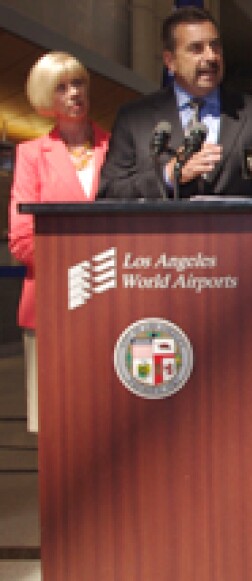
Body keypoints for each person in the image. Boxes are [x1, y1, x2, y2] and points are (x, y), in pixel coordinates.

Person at [97, 6, 252, 203]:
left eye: (215, 46)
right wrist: (168, 175)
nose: (211, 56)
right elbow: (110, 191)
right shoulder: (135, 119)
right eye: (197, 48)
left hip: (238, 236)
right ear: (170, 61)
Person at [8, 51, 110, 434]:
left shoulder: (116, 148)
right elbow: (20, 240)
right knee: (56, 422)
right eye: (61, 87)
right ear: (46, 97)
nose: (73, 93)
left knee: (110, 414)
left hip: (113, 299)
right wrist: (82, 258)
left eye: (78, 83)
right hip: (49, 303)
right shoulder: (30, 154)